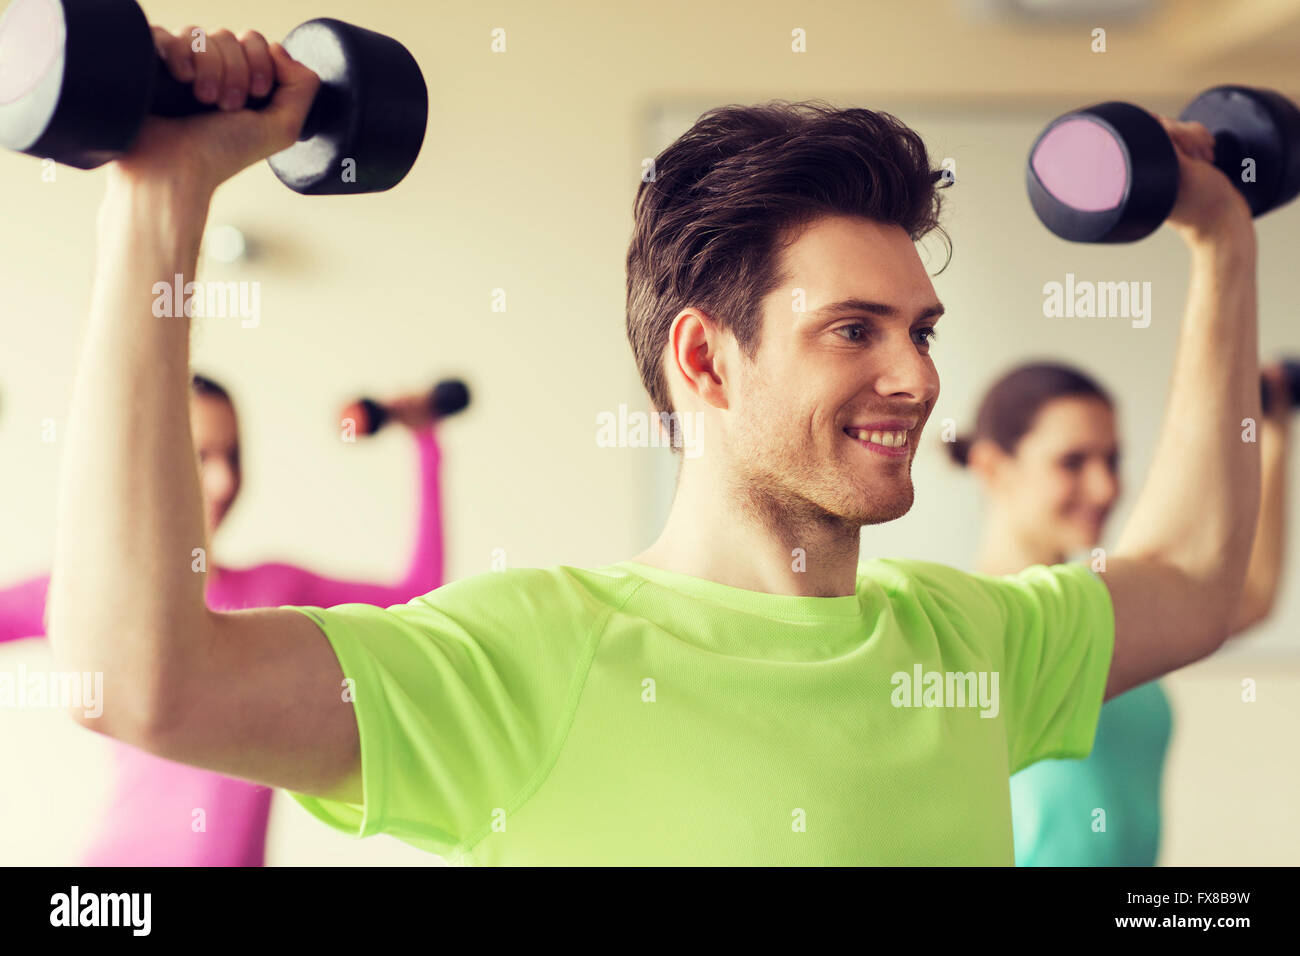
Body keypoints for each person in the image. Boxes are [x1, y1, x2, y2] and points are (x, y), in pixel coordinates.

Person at [45, 26, 1263, 864]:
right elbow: (138, 679)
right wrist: (162, 202)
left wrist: (1223, 242)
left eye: (921, 329)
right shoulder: (530, 655)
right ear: (702, 357)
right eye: (854, 329)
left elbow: (1197, 579)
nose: (919, 376)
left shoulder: (970, 640)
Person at [0, 373, 448, 865]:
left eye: (233, 456)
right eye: (202, 457)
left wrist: (425, 442)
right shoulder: (98, 592)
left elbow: (419, 600)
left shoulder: (277, 590)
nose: (225, 480)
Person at [948, 361, 1290, 865]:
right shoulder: (964, 625)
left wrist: (1274, 432)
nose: (1107, 487)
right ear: (992, 468)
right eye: (1073, 461)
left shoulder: (1099, 604)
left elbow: (1249, 596)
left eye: (1113, 459)